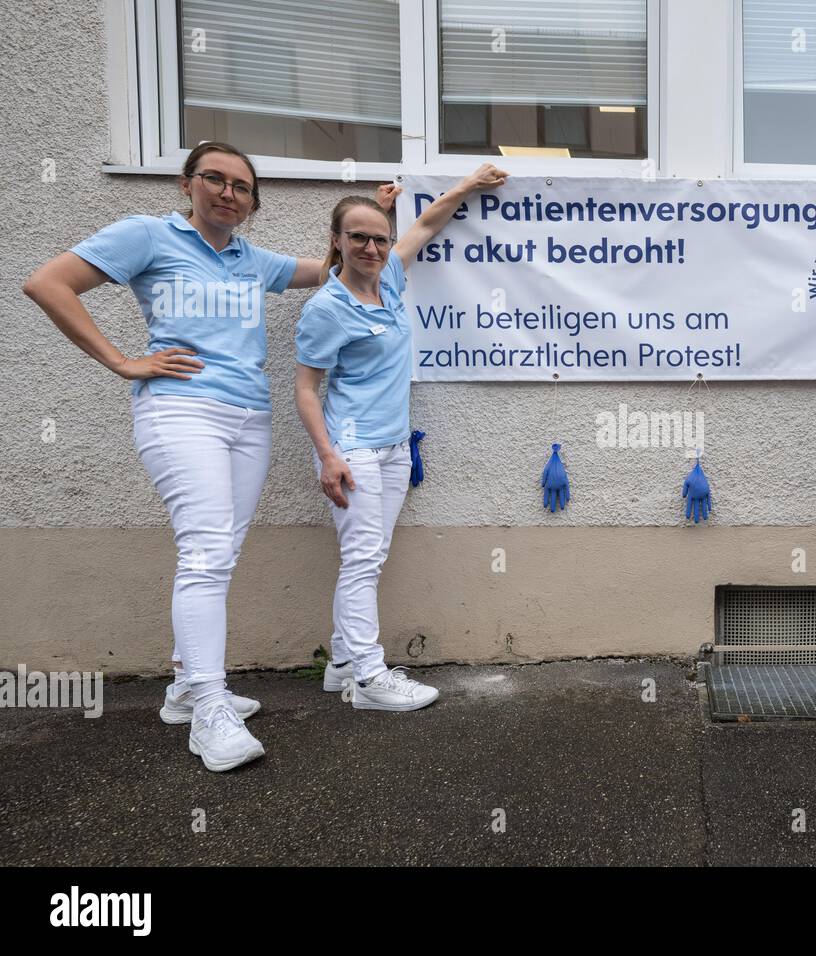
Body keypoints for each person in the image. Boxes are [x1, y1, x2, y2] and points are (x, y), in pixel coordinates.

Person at [23, 142, 389, 772]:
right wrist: (121, 360)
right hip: (181, 411)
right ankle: (210, 706)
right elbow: (47, 283)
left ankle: (183, 687)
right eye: (214, 180)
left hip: (249, 416)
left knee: (221, 548)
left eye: (241, 187)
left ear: (251, 202)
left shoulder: (252, 259)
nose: (227, 193)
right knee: (207, 551)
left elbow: (326, 267)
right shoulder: (147, 236)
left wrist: (372, 217)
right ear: (187, 184)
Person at [295, 163, 508, 711]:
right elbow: (306, 390)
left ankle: (342, 663)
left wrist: (465, 187)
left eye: (378, 238)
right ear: (336, 241)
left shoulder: (389, 276)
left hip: (392, 446)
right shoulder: (325, 309)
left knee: (370, 554)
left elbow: (428, 226)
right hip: (353, 449)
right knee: (363, 560)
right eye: (358, 238)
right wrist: (328, 457)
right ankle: (368, 677)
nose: (371, 247)